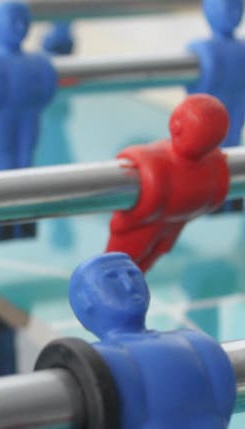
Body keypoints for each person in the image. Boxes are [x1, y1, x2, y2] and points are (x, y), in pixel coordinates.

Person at [69, 253, 236, 428]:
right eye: (112, 279)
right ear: (84, 300)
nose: (128, 285)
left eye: (133, 275)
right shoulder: (99, 362)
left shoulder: (201, 344)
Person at [106, 95, 229, 272]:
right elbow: (211, 202)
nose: (175, 125)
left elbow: (138, 157)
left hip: (141, 232)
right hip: (168, 234)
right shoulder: (216, 168)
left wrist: (123, 223)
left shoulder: (153, 167)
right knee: (137, 269)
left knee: (112, 270)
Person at [0, 0, 57, 241]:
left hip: (27, 118)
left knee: (24, 163)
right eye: (12, 20)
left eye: (23, 20)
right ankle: (1, 224)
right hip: (0, 121)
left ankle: (23, 220)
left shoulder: (39, 62)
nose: (19, 26)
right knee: (2, 166)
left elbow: (48, 88)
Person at [187, 0, 245, 212]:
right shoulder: (208, 52)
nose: (233, 13)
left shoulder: (206, 51)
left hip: (218, 155)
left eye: (236, 8)